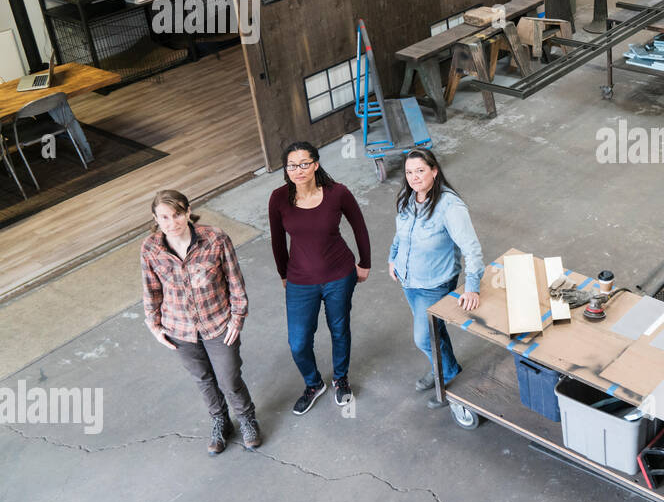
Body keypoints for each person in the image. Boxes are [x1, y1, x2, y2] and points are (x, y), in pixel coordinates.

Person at [141, 190, 261, 455]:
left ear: (187, 211)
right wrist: (154, 325)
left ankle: (246, 419)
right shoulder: (150, 248)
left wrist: (237, 318)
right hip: (179, 328)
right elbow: (151, 290)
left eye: (177, 215)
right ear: (155, 218)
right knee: (203, 379)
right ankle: (220, 420)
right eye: (164, 217)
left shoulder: (215, 238)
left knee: (229, 378)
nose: (172, 223)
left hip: (218, 322)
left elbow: (234, 281)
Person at [268, 141, 371, 415]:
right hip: (300, 280)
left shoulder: (338, 193)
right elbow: (278, 241)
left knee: (339, 329)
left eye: (304, 164)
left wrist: (365, 263)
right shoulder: (278, 198)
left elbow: (359, 226)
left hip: (339, 274)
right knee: (299, 341)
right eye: (291, 165)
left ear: (315, 164)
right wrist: (283, 274)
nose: (298, 170)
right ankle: (313, 384)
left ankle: (341, 378)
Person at [388, 148, 484, 409]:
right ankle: (442, 368)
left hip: (435, 284)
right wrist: (392, 258)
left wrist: (472, 287)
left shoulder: (450, 206)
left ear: (434, 170)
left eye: (420, 170)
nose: (414, 177)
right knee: (434, 332)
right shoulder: (409, 198)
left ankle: (448, 375)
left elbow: (471, 248)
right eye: (409, 172)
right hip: (409, 281)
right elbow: (401, 233)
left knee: (423, 337)